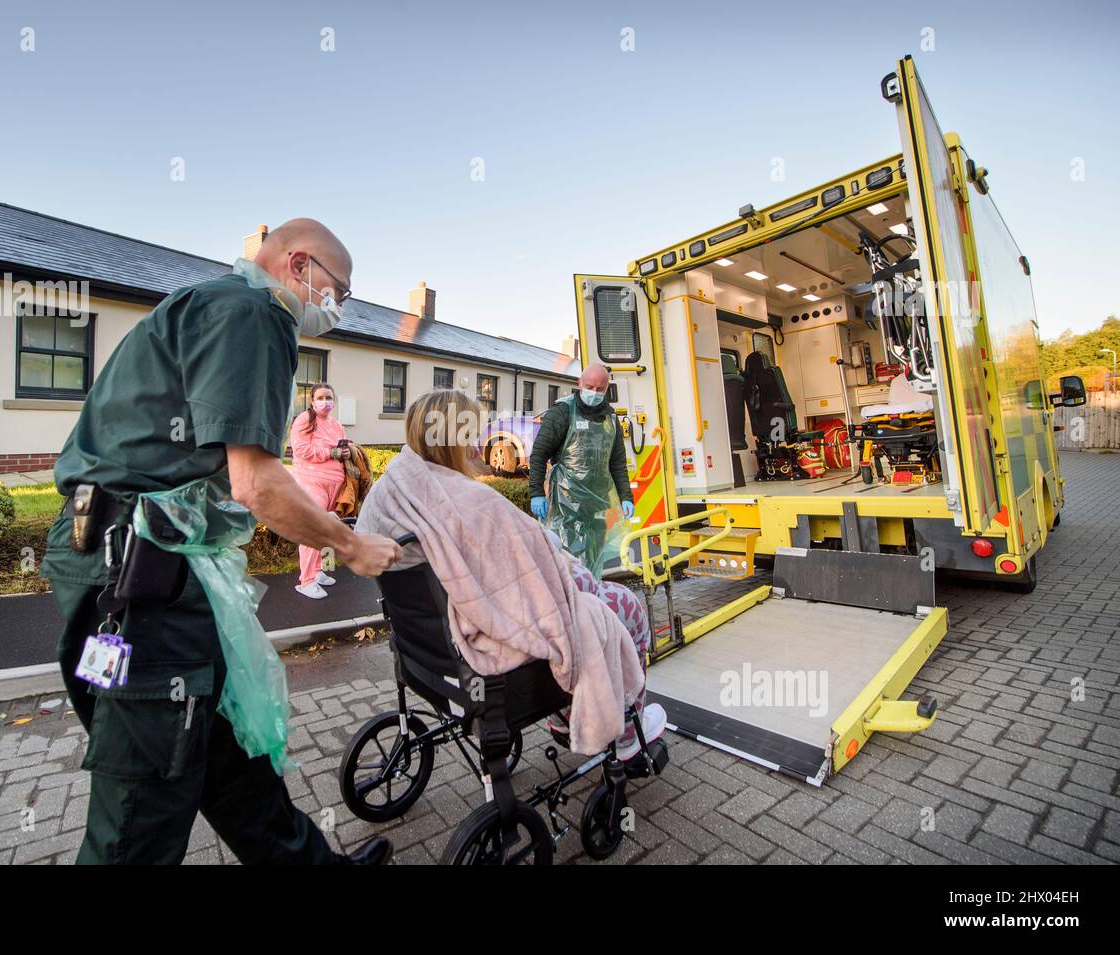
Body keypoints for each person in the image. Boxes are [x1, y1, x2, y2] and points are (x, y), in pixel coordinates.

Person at [42, 218, 401, 865]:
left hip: (132, 558)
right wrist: (351, 544)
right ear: (298, 264)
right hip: (140, 577)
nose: (339, 309)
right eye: (338, 290)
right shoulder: (255, 313)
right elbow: (257, 483)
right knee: (141, 809)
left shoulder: (208, 304)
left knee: (226, 752)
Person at [356, 390, 665, 761]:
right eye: (472, 434)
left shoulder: (391, 491)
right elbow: (537, 576)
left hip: (423, 649)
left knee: (579, 597)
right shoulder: (469, 504)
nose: (479, 445)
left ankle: (564, 718)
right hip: (484, 648)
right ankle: (628, 733)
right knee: (621, 605)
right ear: (452, 439)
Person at [528, 363, 635, 577]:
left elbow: (616, 463)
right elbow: (539, 455)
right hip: (565, 505)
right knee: (567, 562)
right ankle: (569, 604)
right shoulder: (562, 412)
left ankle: (591, 601)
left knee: (592, 561)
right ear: (579, 383)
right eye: (589, 387)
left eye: (599, 389)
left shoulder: (610, 419)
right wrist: (537, 493)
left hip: (597, 505)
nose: (594, 393)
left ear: (607, 389)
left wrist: (626, 496)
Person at [289, 382, 349, 599]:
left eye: (329, 397)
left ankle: (320, 570)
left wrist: (346, 453)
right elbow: (301, 449)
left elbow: (340, 451)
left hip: (334, 483)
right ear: (312, 401)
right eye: (321, 397)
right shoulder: (303, 420)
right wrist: (331, 452)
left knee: (328, 529)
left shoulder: (337, 425)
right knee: (313, 529)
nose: (326, 402)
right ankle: (306, 581)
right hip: (312, 481)